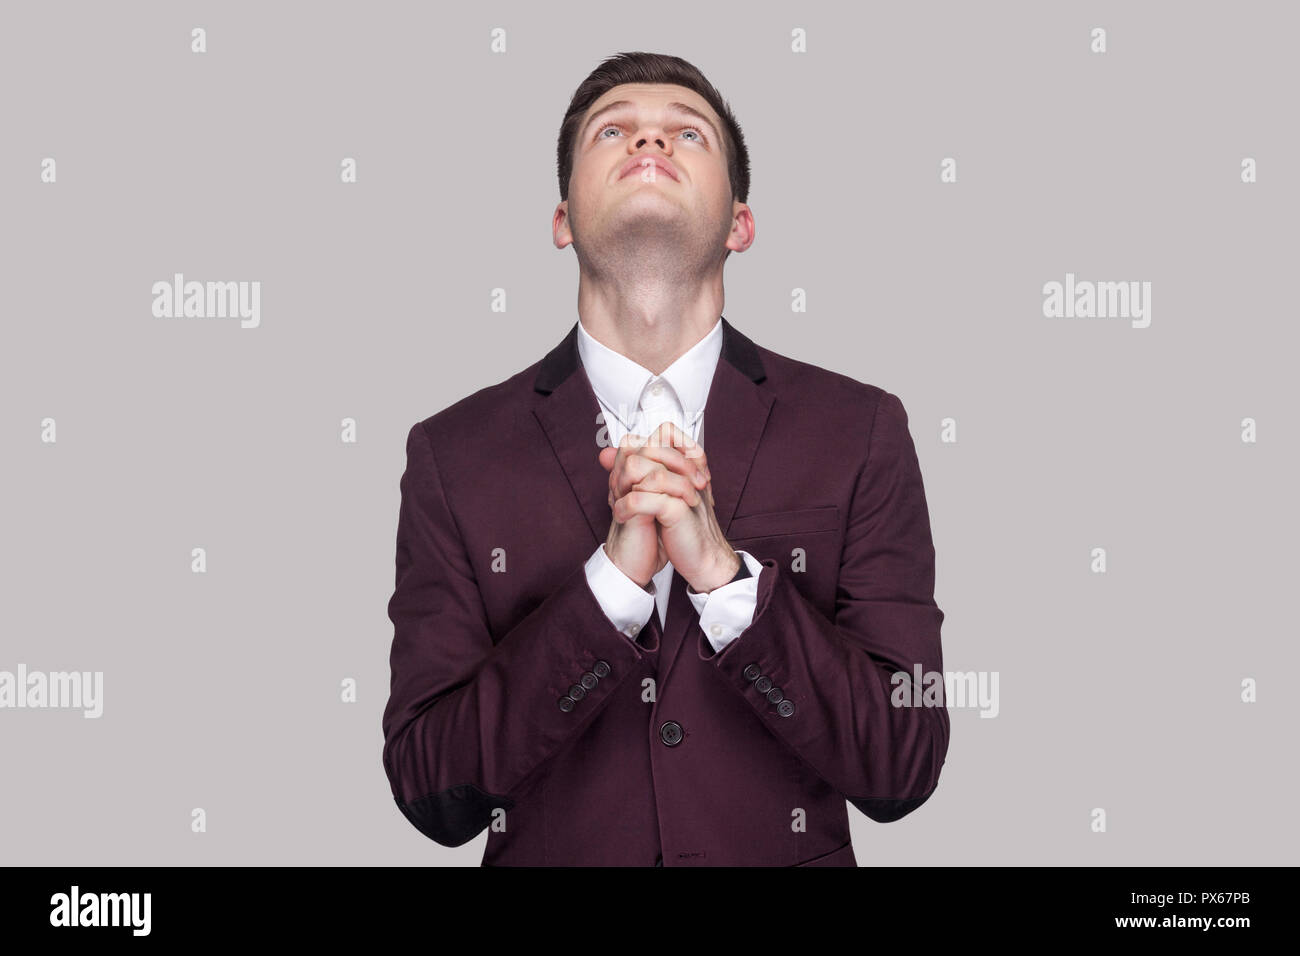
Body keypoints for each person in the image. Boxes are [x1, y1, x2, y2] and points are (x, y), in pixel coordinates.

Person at [381, 51, 948, 866]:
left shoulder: (860, 430)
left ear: (740, 225)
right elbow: (430, 788)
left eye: (690, 132)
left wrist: (728, 585)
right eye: (613, 130)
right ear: (563, 219)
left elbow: (905, 761)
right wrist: (606, 593)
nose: (650, 137)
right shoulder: (453, 453)